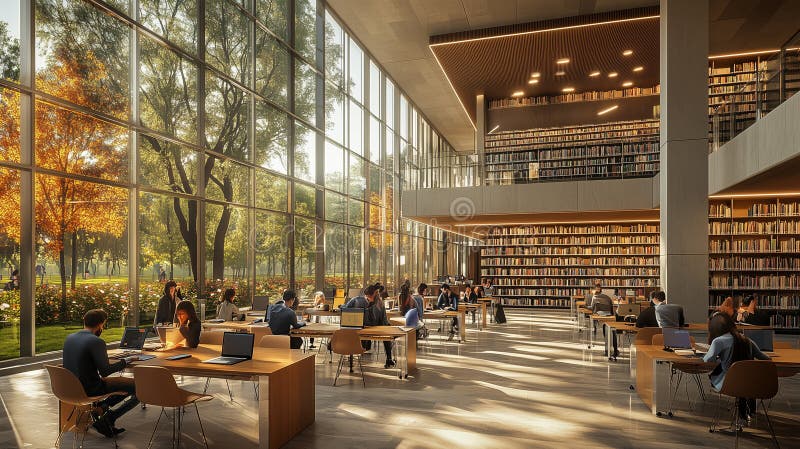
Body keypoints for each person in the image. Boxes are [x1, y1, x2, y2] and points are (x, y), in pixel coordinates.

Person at [62, 309, 138, 437]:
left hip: (70, 388)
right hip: (90, 389)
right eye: (103, 325)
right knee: (140, 387)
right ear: (100, 324)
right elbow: (105, 372)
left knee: (125, 384)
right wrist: (126, 361)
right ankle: (109, 418)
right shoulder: (96, 342)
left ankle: (101, 407)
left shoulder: (70, 338)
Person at [704, 311, 770, 423]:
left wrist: (721, 358)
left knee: (718, 373)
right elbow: (765, 358)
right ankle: (746, 411)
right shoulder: (747, 340)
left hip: (728, 384)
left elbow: (707, 359)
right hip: (749, 384)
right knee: (742, 378)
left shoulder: (718, 341)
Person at [344, 283, 395, 368]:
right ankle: (388, 358)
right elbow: (345, 309)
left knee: (386, 335)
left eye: (369, 297)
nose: (367, 299)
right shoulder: (357, 300)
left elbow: (382, 320)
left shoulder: (378, 304)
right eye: (366, 297)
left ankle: (389, 359)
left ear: (374, 295)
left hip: (372, 329)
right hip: (364, 329)